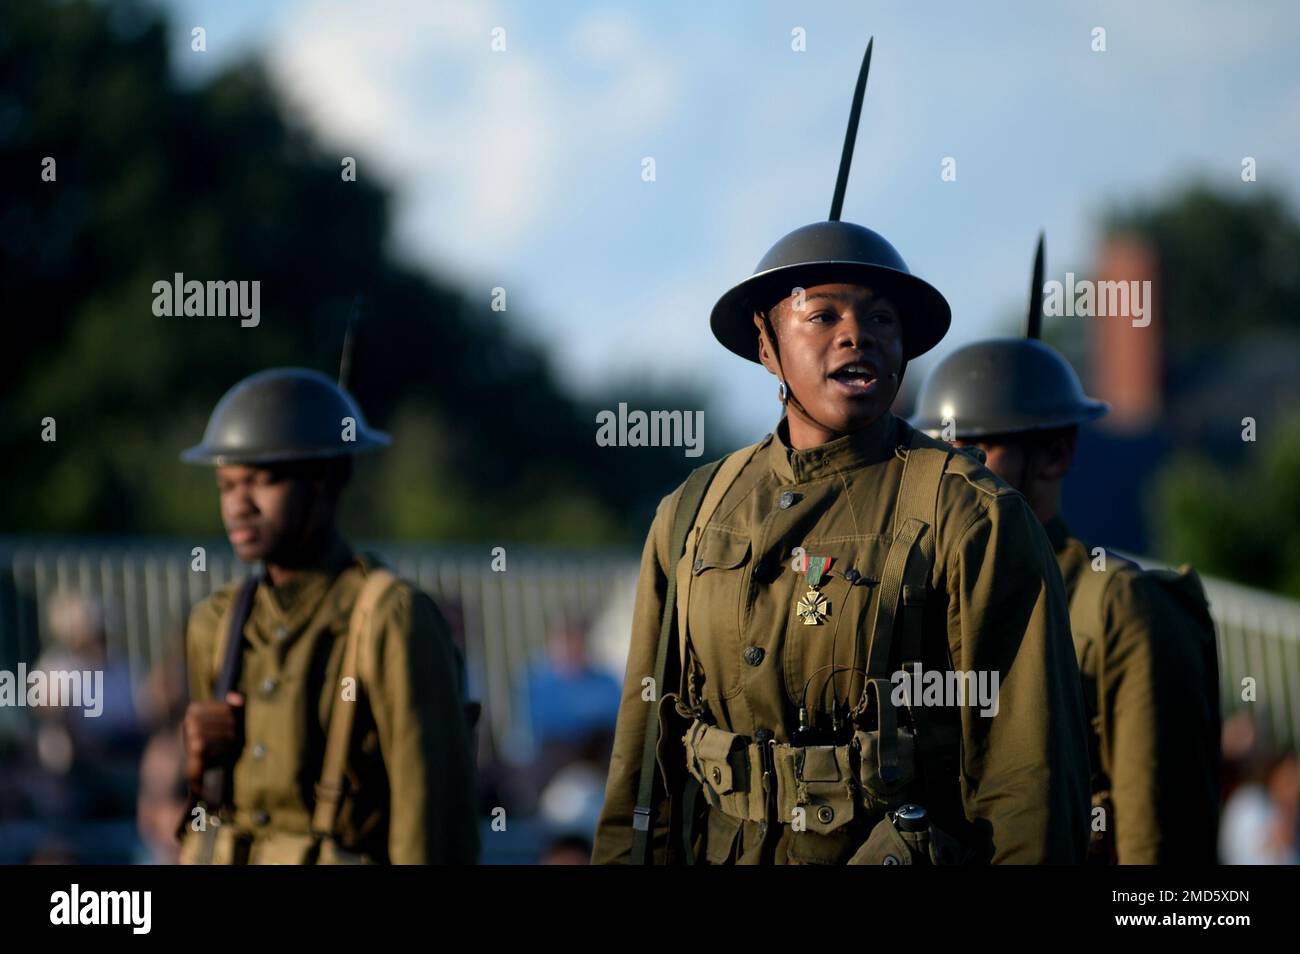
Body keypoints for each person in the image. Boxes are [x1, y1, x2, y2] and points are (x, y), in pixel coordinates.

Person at [592, 44, 1090, 865]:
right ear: (764, 342)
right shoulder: (690, 515)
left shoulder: (968, 512)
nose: (856, 333)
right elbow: (641, 768)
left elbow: (1027, 780)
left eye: (880, 318)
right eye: (821, 315)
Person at [912, 235, 1221, 864]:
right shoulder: (924, 608)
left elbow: (1159, 857)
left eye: (978, 453)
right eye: (941, 455)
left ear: (1056, 454)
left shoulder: (1121, 609)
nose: (955, 477)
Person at [177, 367, 479, 864]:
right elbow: (204, 819)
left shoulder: (391, 619)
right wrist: (199, 769)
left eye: (262, 481)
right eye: (225, 485)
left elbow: (432, 825)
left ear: (328, 479)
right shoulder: (216, 622)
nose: (237, 506)